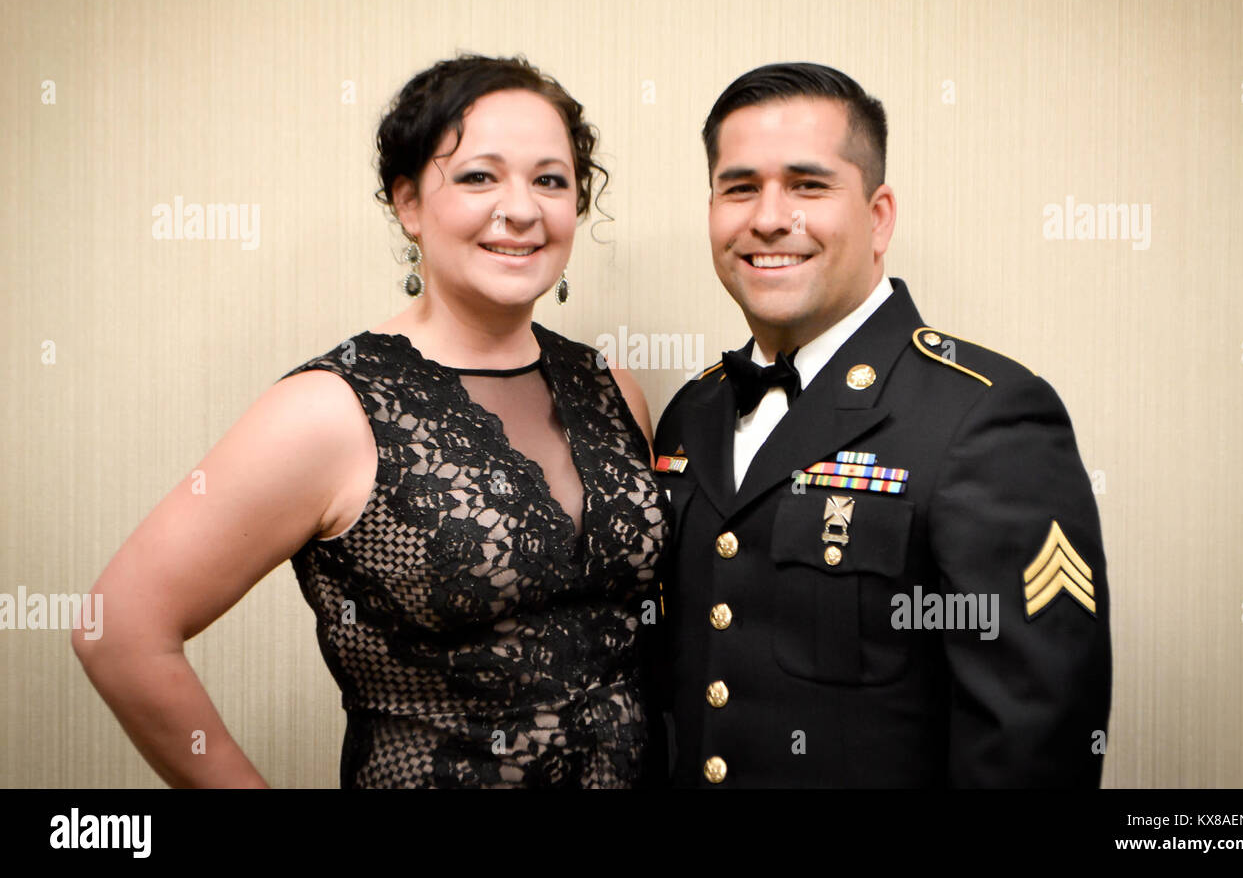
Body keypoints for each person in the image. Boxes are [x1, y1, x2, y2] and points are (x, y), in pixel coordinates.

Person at [73, 53, 668, 788]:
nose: (520, 208)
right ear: (409, 202)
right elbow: (119, 631)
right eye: (479, 176)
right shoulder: (334, 408)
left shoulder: (612, 388)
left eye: (550, 179)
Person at [651, 62, 1112, 787]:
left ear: (879, 214)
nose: (770, 217)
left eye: (808, 185)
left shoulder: (986, 416)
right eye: (739, 187)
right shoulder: (691, 412)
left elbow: (1032, 740)